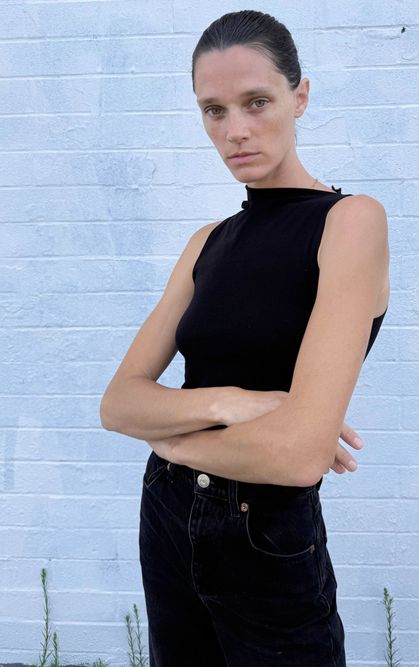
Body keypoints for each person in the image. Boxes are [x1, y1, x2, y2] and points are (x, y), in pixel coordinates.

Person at [100, 9, 390, 666]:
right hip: (167, 518)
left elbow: (298, 456)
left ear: (300, 96)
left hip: (265, 529)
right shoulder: (206, 242)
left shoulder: (350, 222)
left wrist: (169, 439)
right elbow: (118, 402)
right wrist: (233, 403)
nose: (235, 130)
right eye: (214, 110)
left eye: (256, 102)